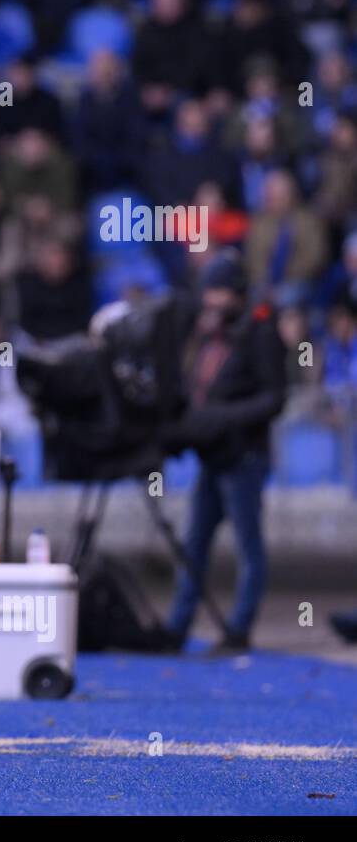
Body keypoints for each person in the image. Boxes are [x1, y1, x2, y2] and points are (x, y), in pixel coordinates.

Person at [163, 250, 286, 652]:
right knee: (193, 542)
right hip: (212, 455)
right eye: (208, 292)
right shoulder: (207, 336)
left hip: (244, 455)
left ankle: (239, 628)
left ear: (236, 293)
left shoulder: (260, 331)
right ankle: (178, 626)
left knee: (248, 545)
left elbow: (274, 399)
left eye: (218, 292)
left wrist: (221, 418)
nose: (211, 301)